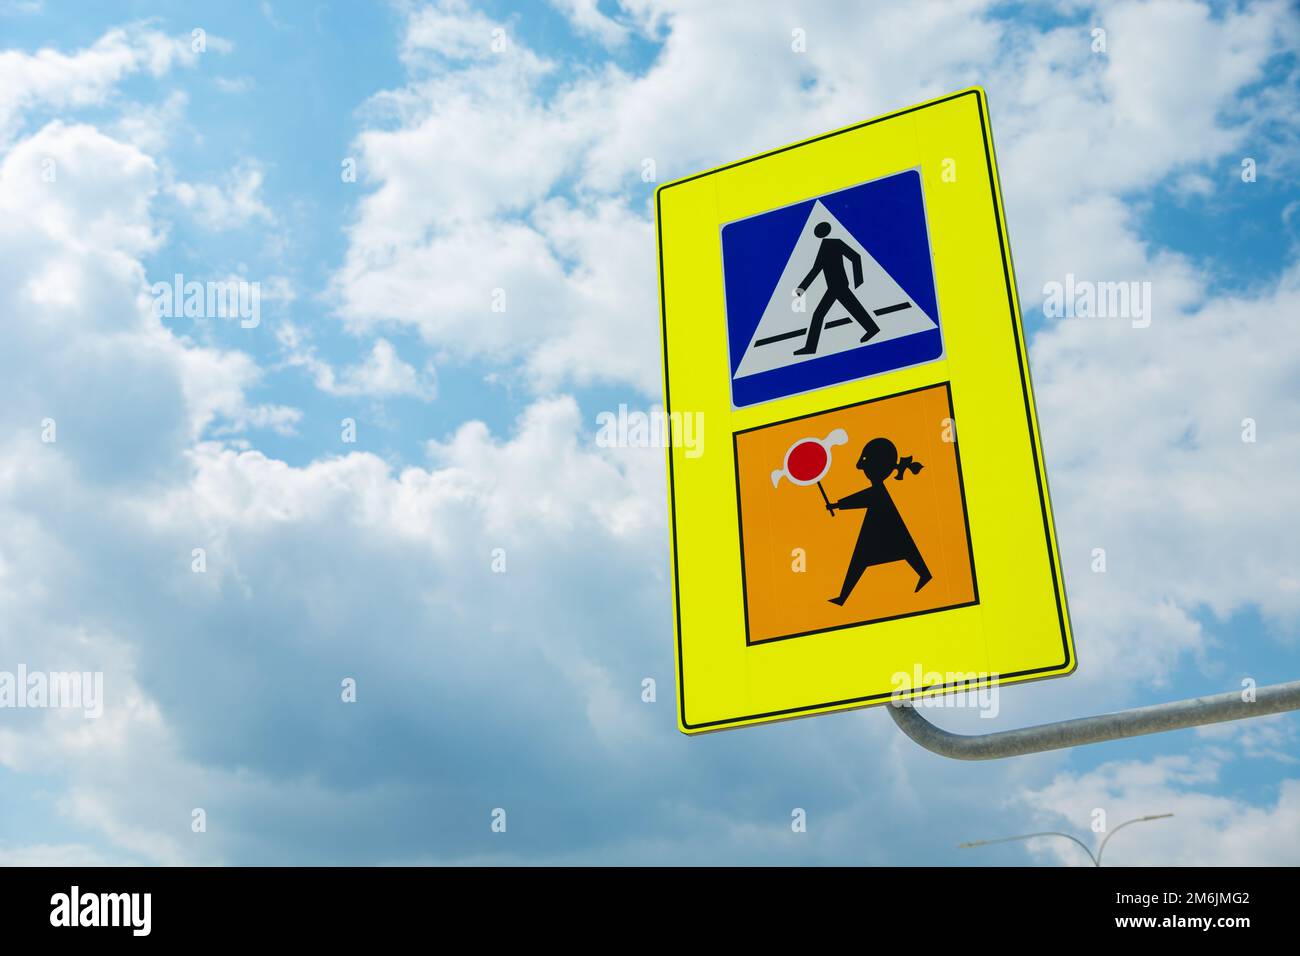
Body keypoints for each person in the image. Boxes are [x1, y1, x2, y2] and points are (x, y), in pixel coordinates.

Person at [826, 437, 930, 605]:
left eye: (865, 461)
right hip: (882, 525)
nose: (860, 467)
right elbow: (865, 497)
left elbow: (865, 497)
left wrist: (838, 504)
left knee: (861, 558)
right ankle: (843, 597)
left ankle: (843, 597)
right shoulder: (878, 490)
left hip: (880, 527)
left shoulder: (877, 491)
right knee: (905, 551)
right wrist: (838, 505)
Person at [793, 222, 881, 355]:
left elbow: (855, 257)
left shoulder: (834, 243)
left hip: (838, 285)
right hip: (834, 286)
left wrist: (858, 280)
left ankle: (811, 347)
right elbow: (816, 269)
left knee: (819, 314)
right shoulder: (825, 246)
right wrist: (802, 288)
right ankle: (872, 328)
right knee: (853, 309)